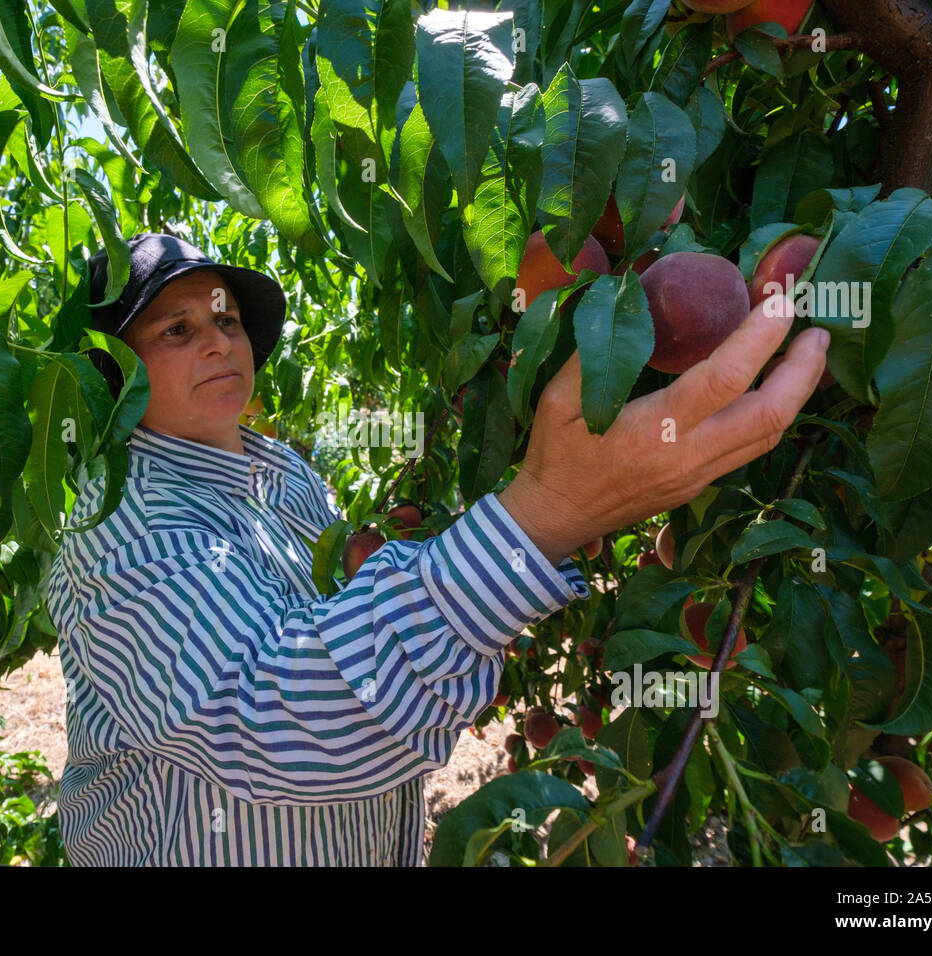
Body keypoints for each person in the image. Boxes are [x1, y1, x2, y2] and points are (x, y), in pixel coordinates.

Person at [44, 232, 830, 866]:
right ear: (114, 372)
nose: (218, 342)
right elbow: (283, 724)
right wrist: (539, 518)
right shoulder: (119, 524)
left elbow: (331, 628)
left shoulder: (277, 469)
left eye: (225, 320)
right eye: (177, 330)